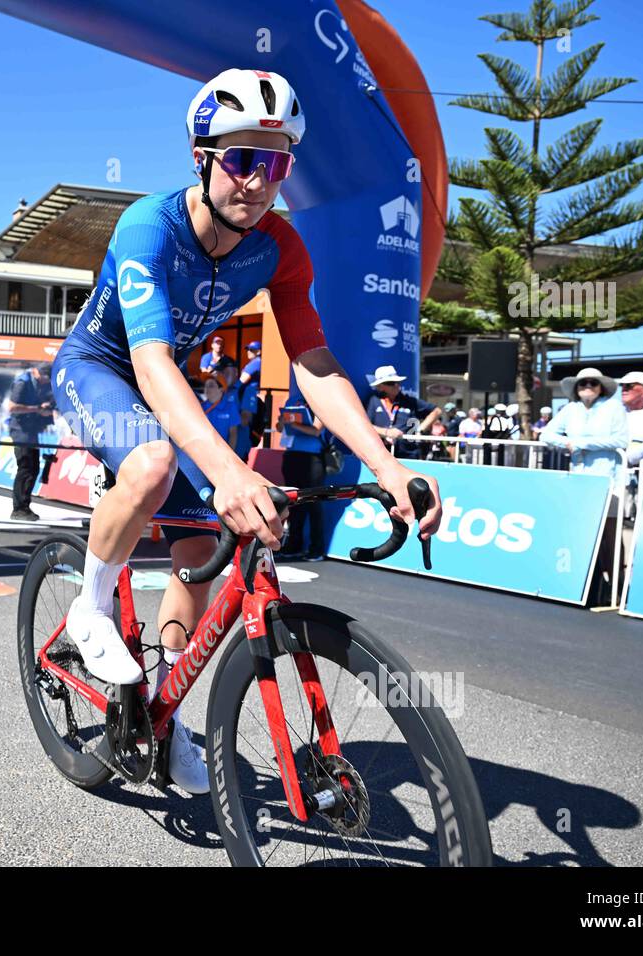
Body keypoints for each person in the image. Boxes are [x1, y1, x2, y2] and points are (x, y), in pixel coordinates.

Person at [50, 68, 440, 795]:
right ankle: (89, 607)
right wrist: (227, 469)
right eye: (242, 160)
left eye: (277, 164)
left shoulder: (281, 251)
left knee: (201, 552)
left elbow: (316, 365)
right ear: (203, 157)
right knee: (152, 463)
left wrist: (386, 466)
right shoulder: (149, 228)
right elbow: (152, 360)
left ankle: (159, 713)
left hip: (165, 382)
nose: (259, 182)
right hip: (103, 366)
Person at [538, 367, 629, 481]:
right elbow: (545, 435)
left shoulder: (615, 407)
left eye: (594, 383)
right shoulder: (570, 409)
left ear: (601, 388)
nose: (588, 386)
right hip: (578, 474)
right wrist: (567, 442)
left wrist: (580, 443)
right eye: (583, 383)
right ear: (577, 388)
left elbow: (621, 440)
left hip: (610, 478)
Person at [276, 397, 327, 559]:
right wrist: (283, 422)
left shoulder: (321, 403)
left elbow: (316, 430)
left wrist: (293, 424)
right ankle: (293, 545)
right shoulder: (293, 401)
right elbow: (279, 428)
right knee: (294, 503)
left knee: (313, 503)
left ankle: (316, 548)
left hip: (312, 458)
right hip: (291, 455)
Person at [4, 362, 53, 521]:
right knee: (26, 468)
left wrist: (44, 412)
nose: (46, 382)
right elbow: (12, 407)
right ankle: (19, 509)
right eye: (46, 378)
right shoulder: (23, 382)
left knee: (33, 468)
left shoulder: (37, 383)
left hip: (30, 431)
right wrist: (37, 409)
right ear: (38, 373)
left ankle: (24, 506)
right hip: (20, 431)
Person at [363, 364, 439, 460]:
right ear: (380, 387)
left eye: (398, 382)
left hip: (409, 456)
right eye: (391, 383)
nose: (396, 385)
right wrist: (386, 432)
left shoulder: (410, 401)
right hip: (381, 456)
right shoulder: (373, 401)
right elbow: (365, 426)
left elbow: (437, 411)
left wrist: (421, 429)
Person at [200, 373, 240, 450]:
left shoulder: (230, 407)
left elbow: (233, 434)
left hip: (222, 453)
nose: (206, 389)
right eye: (205, 385)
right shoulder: (199, 407)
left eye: (211, 386)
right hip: (203, 452)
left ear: (221, 389)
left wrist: (229, 455)